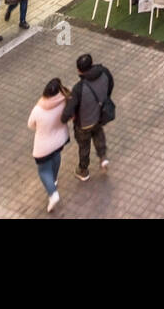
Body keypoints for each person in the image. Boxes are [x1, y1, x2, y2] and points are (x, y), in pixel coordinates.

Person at [62, 53, 114, 181]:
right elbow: (110, 86)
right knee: (98, 133)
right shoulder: (104, 72)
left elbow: (69, 110)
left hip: (83, 123)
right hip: (99, 116)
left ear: (79, 70)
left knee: (84, 146)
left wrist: (64, 119)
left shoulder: (79, 89)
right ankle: (103, 157)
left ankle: (83, 170)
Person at [27, 77, 70, 213]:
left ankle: (53, 193)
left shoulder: (39, 109)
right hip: (60, 139)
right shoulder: (65, 100)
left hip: (44, 146)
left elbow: (30, 125)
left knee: (43, 170)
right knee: (56, 156)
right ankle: (55, 179)